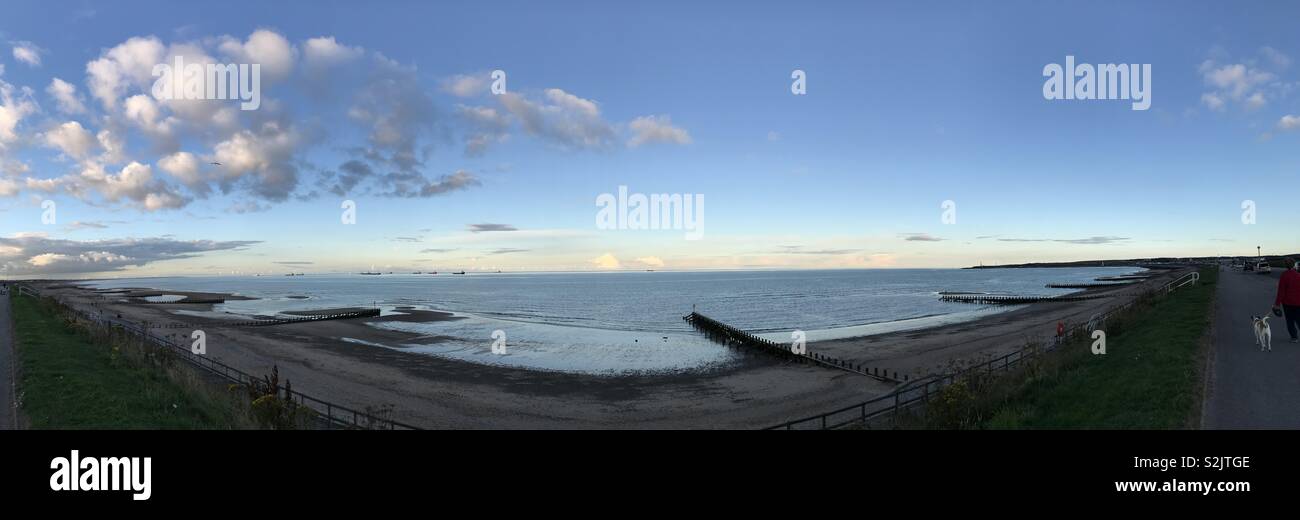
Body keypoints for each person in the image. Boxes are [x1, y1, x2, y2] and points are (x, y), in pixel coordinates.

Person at [1273, 257, 1300, 343]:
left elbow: (1281, 292)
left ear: (1285, 265)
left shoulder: (1284, 276)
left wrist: (1277, 304)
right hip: (1298, 302)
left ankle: (1294, 337)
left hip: (1287, 303)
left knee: (1290, 320)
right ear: (1294, 265)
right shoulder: (1298, 275)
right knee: (1299, 319)